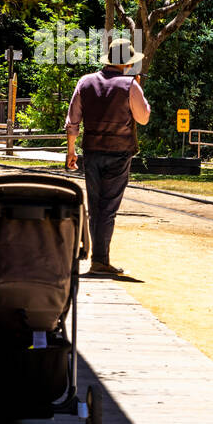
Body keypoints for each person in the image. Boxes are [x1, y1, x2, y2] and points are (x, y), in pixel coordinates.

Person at [65, 37, 151, 275]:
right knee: (108, 207)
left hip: (91, 152)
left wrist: (71, 151)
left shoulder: (85, 82)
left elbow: (72, 122)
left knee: (95, 205)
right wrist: (139, 89)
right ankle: (100, 261)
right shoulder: (130, 85)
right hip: (119, 152)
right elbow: (143, 117)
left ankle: (98, 259)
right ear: (126, 63)